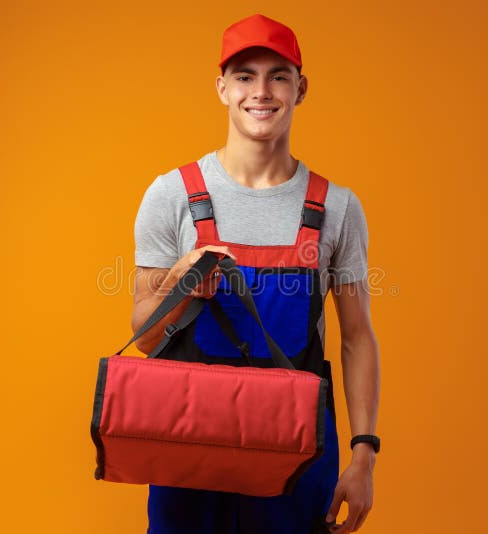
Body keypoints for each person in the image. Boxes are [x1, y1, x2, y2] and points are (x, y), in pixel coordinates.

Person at [130, 13, 380, 534]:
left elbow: (357, 337)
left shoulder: (337, 207)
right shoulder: (171, 196)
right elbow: (146, 338)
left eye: (278, 75)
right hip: (189, 456)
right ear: (222, 88)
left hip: (297, 457)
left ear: (300, 88)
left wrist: (364, 456)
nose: (260, 91)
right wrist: (180, 279)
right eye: (244, 75)